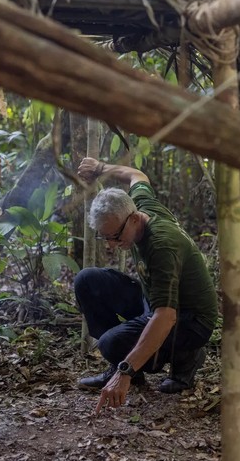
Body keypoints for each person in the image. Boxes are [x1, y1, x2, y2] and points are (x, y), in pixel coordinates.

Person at [73, 157, 219, 412]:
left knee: (110, 343)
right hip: (154, 299)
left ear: (132, 219)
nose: (111, 245)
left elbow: (166, 316)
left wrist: (125, 370)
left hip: (190, 319)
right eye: (106, 238)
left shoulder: (162, 246)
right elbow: (136, 175)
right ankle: (129, 363)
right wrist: (99, 169)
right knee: (87, 280)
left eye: (115, 237)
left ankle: (185, 356)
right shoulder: (139, 205)